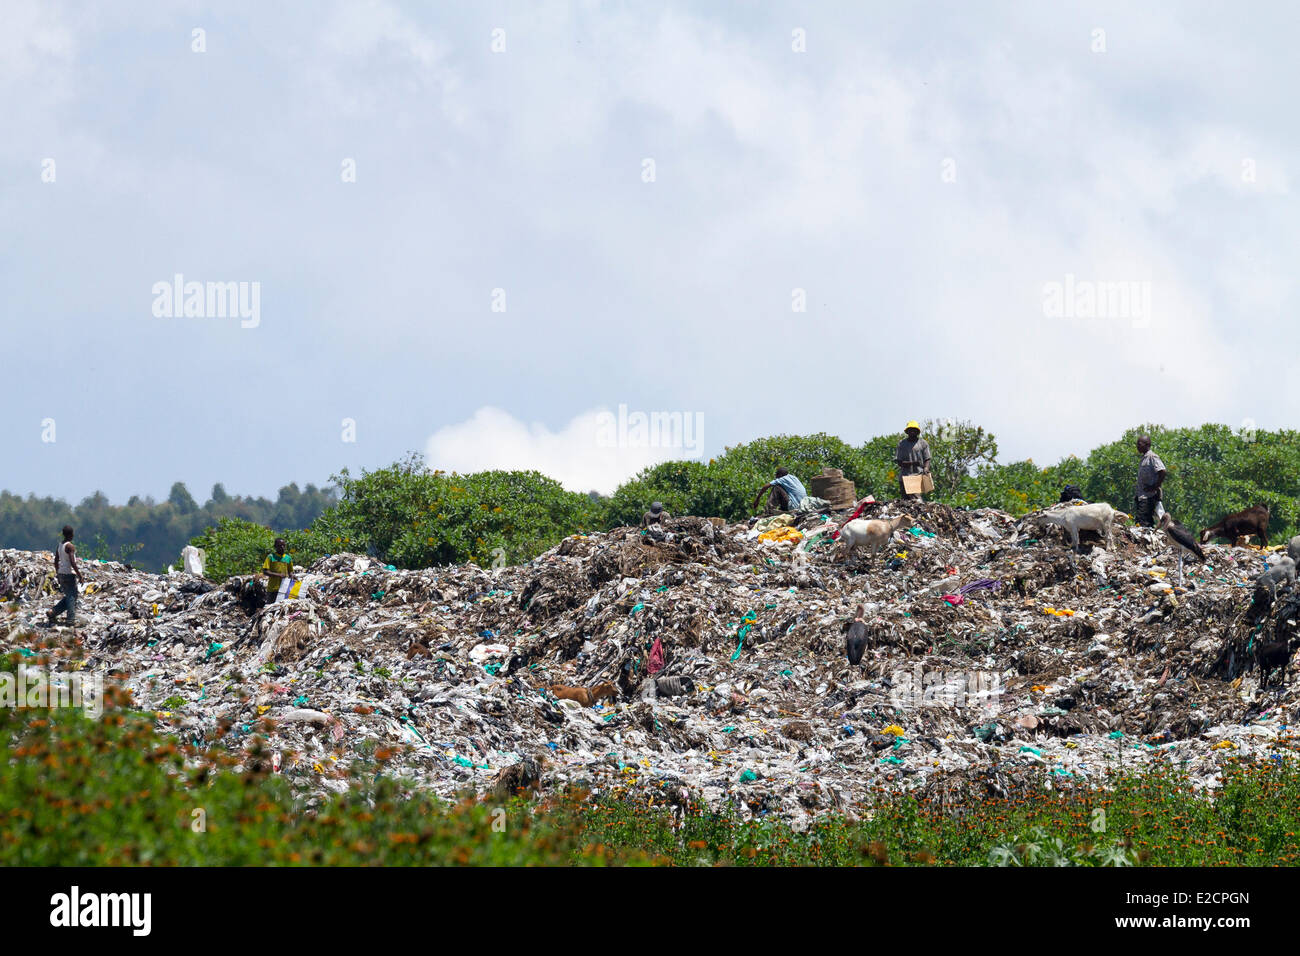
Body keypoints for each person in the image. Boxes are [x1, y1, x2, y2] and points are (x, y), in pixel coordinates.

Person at [46, 525, 85, 627]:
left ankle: (53, 612)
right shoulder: (70, 546)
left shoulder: (60, 545)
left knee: (69, 596)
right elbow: (72, 562)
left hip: (61, 574)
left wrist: (58, 573)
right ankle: (70, 620)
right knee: (72, 597)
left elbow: (55, 561)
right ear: (71, 535)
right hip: (68, 574)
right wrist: (80, 575)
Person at [1134, 434, 1166, 527]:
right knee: (1142, 520)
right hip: (1141, 496)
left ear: (1147, 444)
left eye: (1139, 444)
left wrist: (1155, 486)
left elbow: (1162, 471)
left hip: (1149, 497)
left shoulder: (1152, 457)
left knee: (1143, 522)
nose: (1137, 446)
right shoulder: (1144, 458)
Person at [895, 421, 932, 500]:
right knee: (905, 502)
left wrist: (926, 468)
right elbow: (899, 462)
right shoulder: (902, 444)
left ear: (917, 432)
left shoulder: (923, 443)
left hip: (917, 475)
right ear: (907, 431)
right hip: (904, 477)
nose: (912, 431)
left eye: (914, 430)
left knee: (916, 499)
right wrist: (912, 463)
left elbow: (927, 458)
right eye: (910, 430)